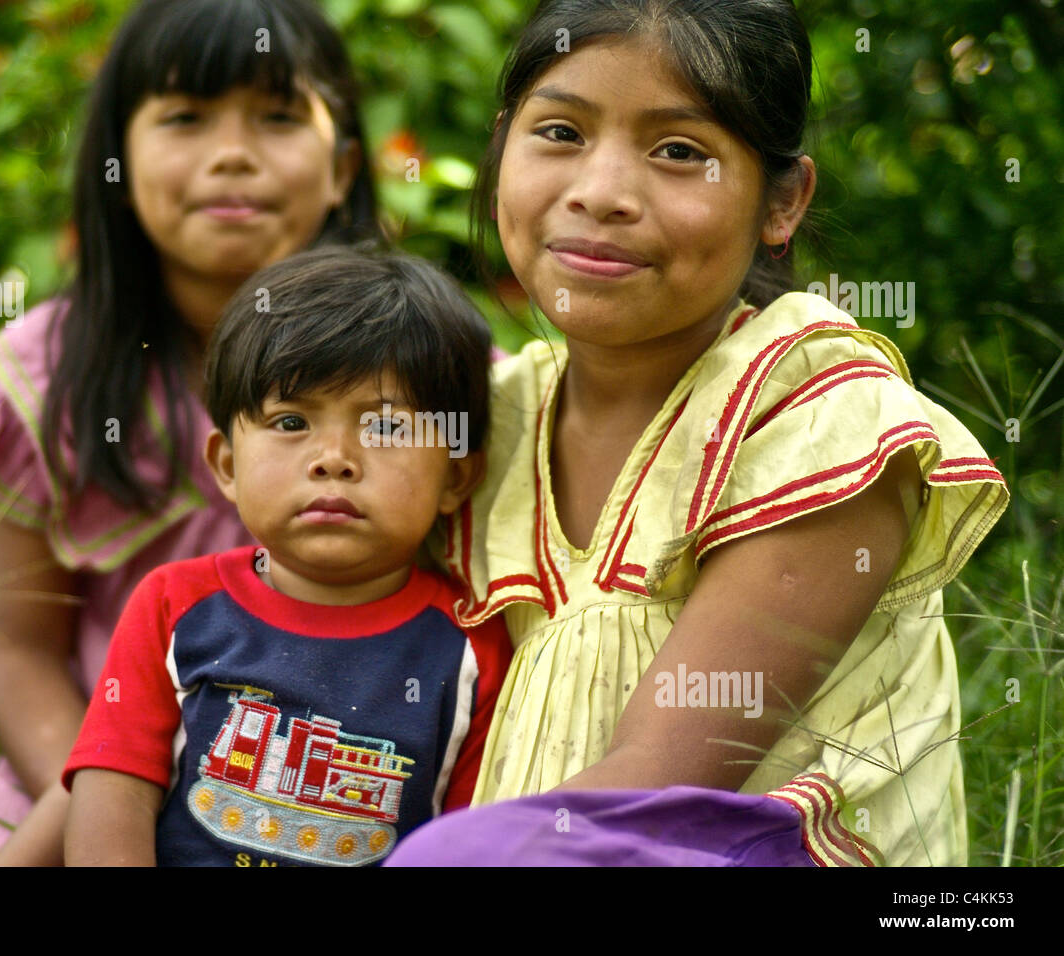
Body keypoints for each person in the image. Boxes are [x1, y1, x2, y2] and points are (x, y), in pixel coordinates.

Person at [390, 0, 1008, 867]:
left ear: (782, 202)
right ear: (500, 152)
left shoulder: (822, 418)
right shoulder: (481, 422)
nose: (600, 193)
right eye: (560, 132)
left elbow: (649, 795)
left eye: (680, 152)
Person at [0, 0, 379, 866]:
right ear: (117, 160)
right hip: (74, 784)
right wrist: (100, 798)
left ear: (342, 167)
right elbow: (19, 642)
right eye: (185, 118)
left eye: (276, 115)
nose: (233, 152)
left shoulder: (418, 376)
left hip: (341, 790)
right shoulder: (50, 377)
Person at [61, 246, 512, 866]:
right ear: (226, 464)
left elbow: (467, 844)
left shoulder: (473, 646)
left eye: (384, 428)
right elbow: (112, 789)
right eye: (292, 422)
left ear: (456, 478)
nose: (333, 458)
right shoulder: (174, 606)